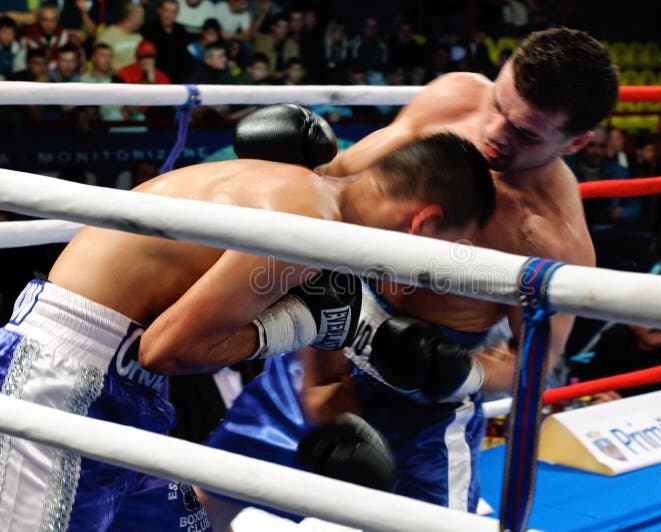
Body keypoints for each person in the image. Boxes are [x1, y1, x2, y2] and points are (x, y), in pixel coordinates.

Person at [0, 105, 495, 530]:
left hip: (123, 387)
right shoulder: (310, 226)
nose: (417, 279)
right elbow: (167, 349)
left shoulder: (312, 194)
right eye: (437, 253)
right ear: (423, 222)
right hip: (62, 381)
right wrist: (301, 324)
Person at [198, 27, 618, 525]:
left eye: (524, 133)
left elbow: (535, 364)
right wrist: (292, 169)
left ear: (579, 142)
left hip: (421, 412)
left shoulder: (549, 236)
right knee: (209, 501)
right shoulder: (455, 100)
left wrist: (461, 369)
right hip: (320, 347)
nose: (494, 132)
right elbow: (334, 185)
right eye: (499, 105)